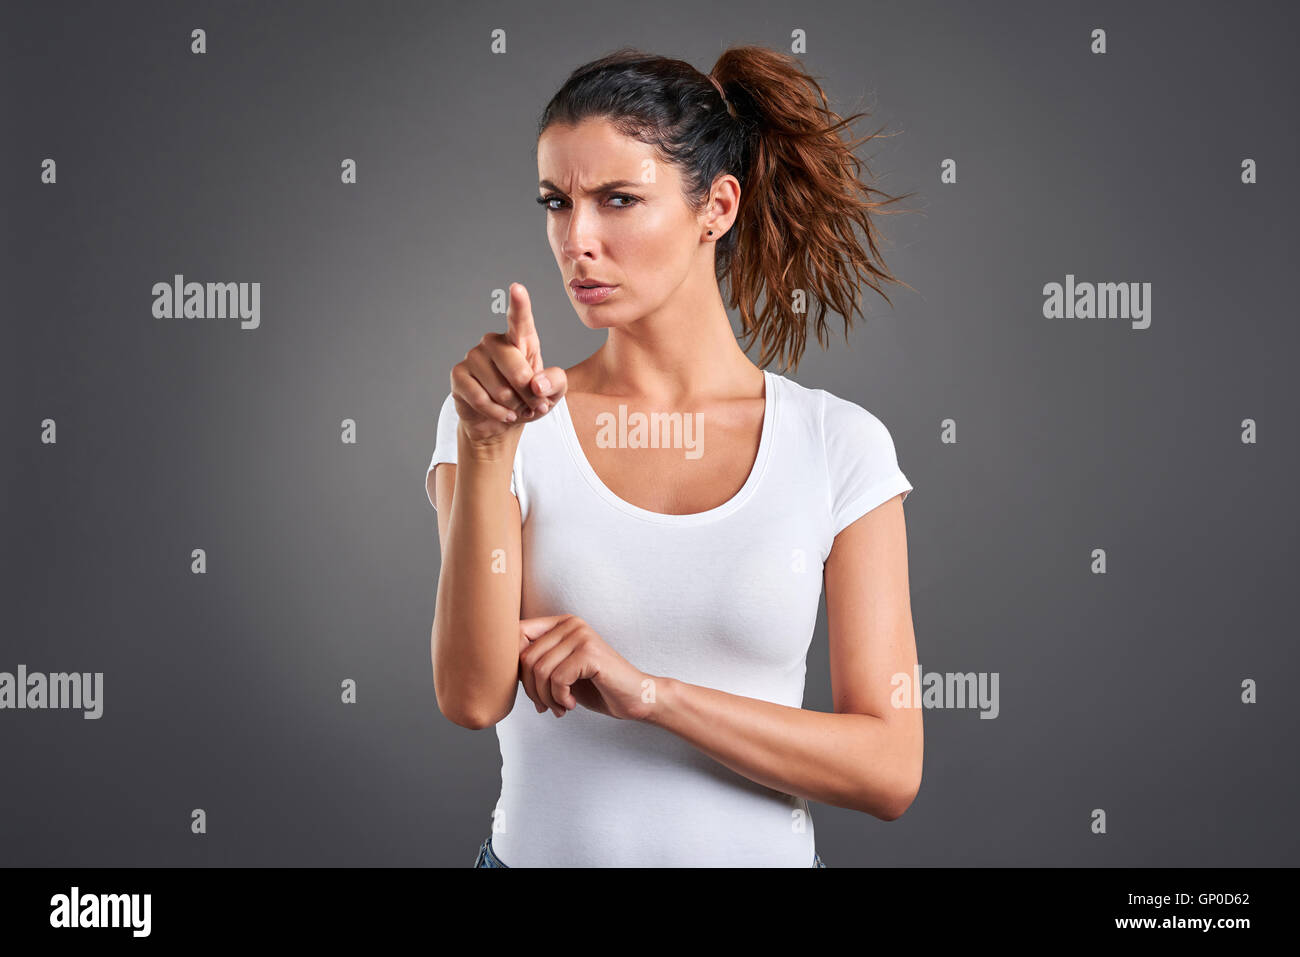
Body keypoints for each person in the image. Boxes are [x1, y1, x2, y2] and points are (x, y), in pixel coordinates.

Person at [425, 45, 922, 867]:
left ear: (716, 207)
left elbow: (891, 767)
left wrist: (651, 695)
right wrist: (485, 448)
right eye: (557, 202)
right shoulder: (501, 420)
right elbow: (473, 697)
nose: (576, 238)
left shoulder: (837, 445)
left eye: (618, 199)